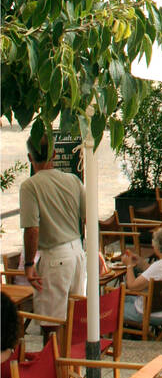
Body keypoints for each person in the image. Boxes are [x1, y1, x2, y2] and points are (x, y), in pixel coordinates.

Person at [19, 132, 87, 326]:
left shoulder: (30, 186)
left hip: (55, 256)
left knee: (51, 322)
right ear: (55, 154)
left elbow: (32, 229)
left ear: (30, 157)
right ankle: (69, 355)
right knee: (74, 317)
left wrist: (29, 264)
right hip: (76, 251)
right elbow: (86, 217)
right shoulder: (73, 180)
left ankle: (53, 356)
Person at [122, 227, 162, 328]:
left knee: (110, 306)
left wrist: (129, 265)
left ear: (157, 246)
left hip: (150, 312)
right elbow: (156, 273)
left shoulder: (159, 266)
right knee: (121, 297)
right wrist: (141, 262)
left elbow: (132, 286)